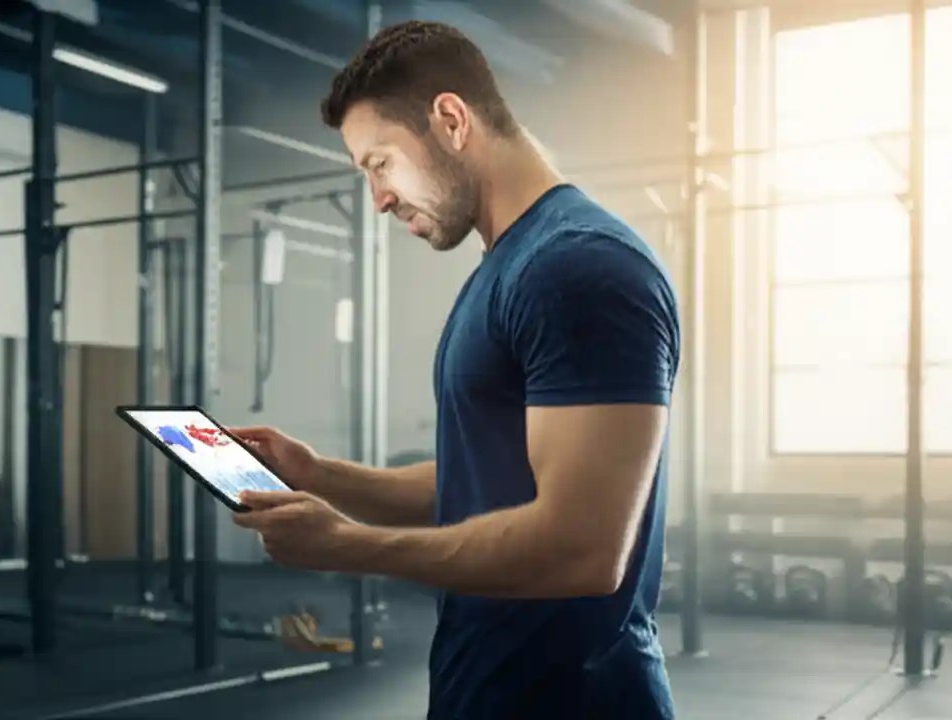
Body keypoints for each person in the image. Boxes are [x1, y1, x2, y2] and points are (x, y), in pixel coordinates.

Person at [232, 20, 681, 720]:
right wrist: (318, 476)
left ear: (449, 119)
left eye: (379, 163)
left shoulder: (579, 267)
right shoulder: (510, 264)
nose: (378, 197)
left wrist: (349, 546)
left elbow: (582, 548)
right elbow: (485, 480)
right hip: (490, 690)